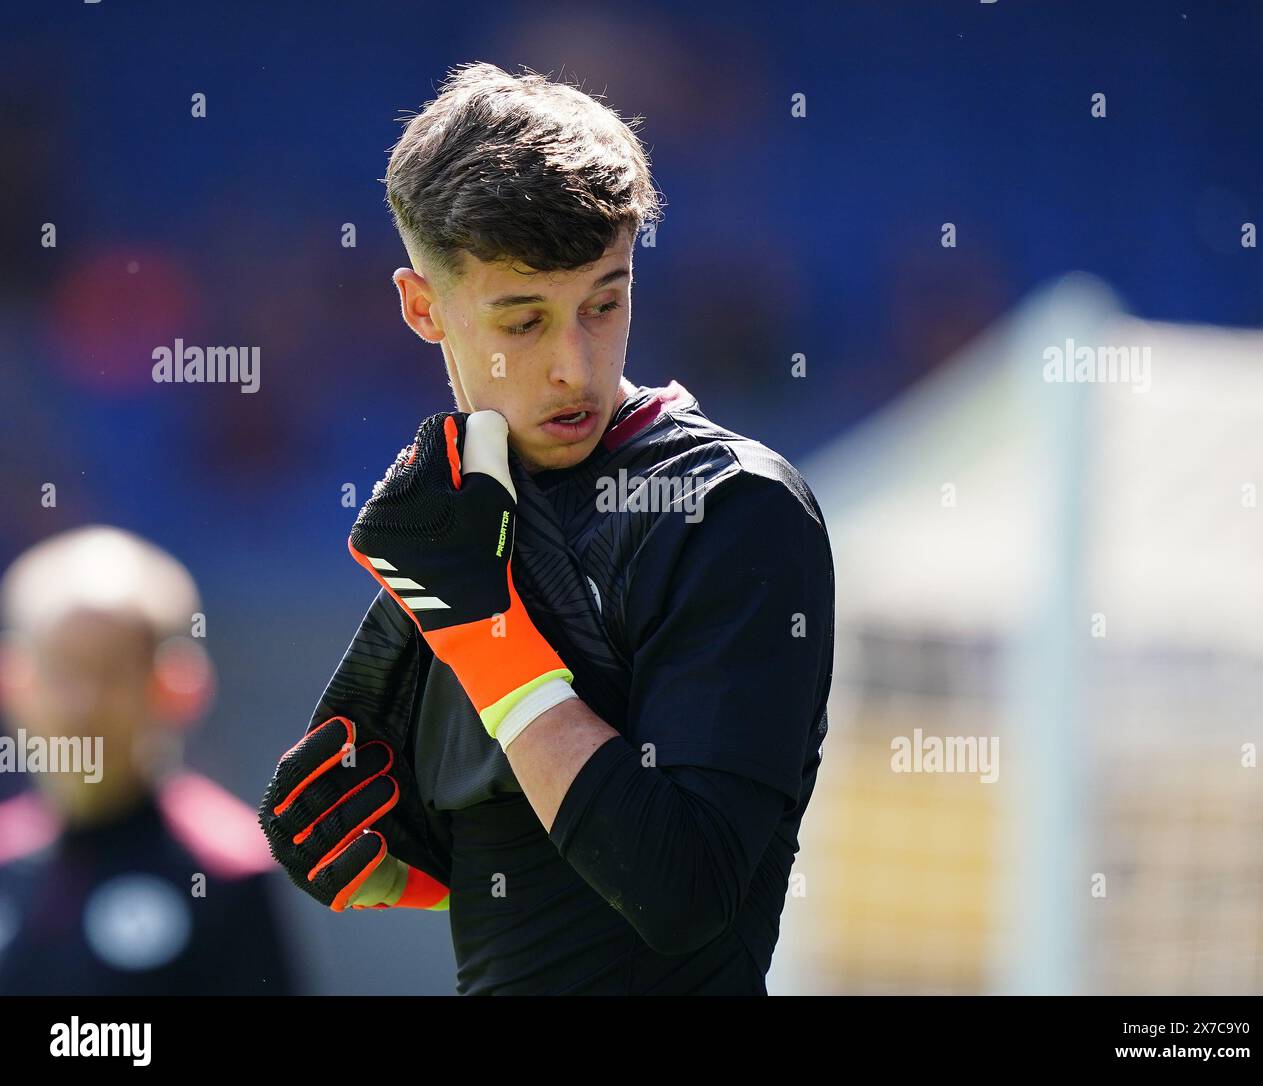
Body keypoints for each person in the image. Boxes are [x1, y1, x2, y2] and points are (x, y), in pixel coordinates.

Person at [259, 62, 835, 995]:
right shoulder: (448, 511)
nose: (576, 365)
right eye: (523, 321)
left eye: (604, 303)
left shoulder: (734, 507)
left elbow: (685, 893)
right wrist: (395, 873)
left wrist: (491, 642)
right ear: (421, 307)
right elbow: (523, 884)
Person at [0, 526, 296, 994]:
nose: (82, 705)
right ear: (14, 682)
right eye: (61, 672)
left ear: (177, 687)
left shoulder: (226, 869)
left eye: (110, 673)